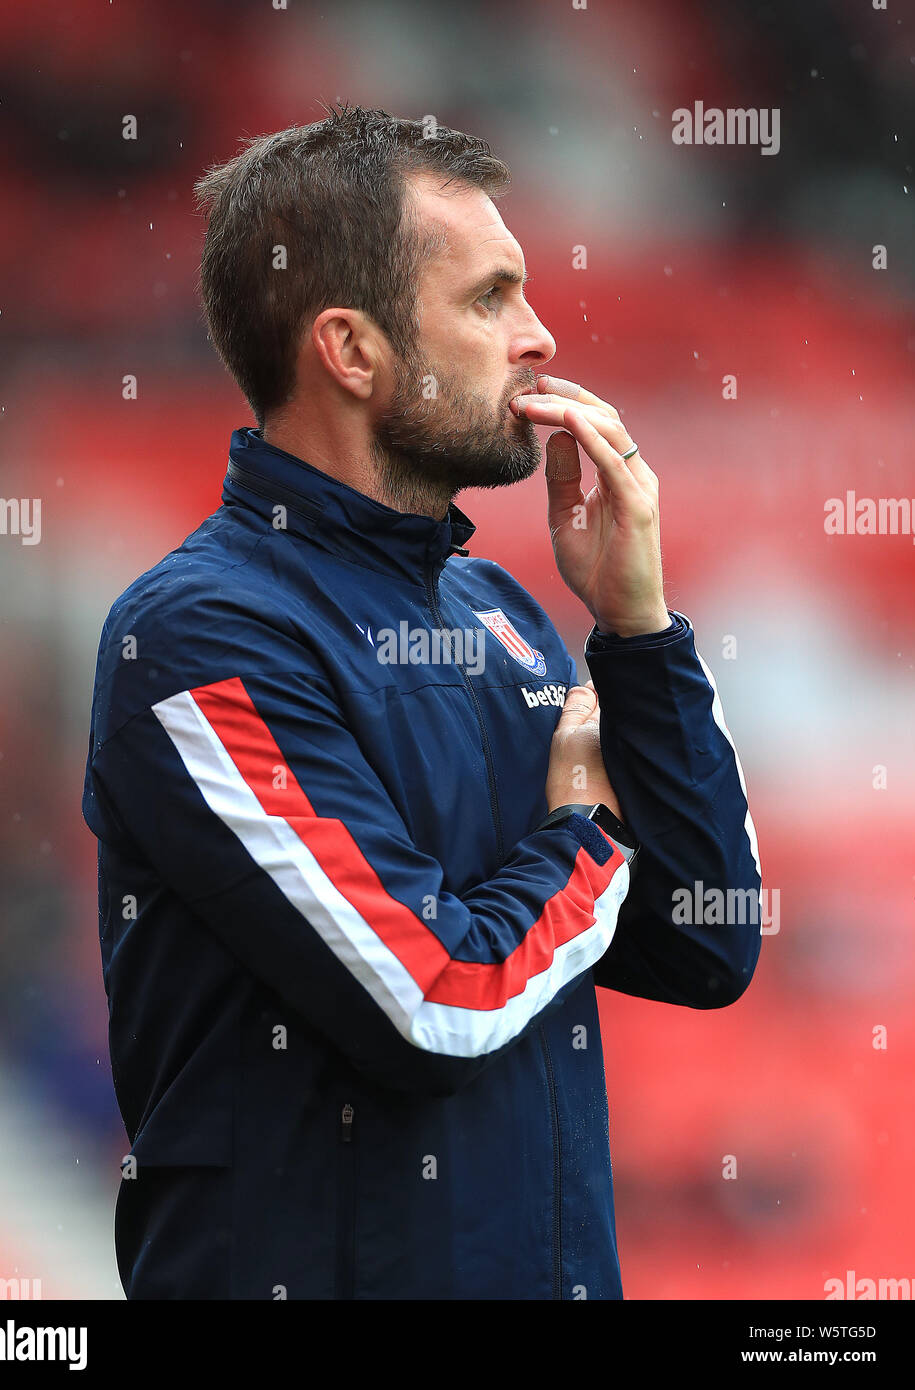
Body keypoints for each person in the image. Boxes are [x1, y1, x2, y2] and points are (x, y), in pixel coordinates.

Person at [82, 102, 762, 1300]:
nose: (541, 337)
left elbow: (706, 938)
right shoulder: (199, 634)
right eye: (491, 298)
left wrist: (639, 639)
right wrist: (584, 835)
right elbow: (432, 1000)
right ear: (351, 350)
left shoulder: (497, 608)